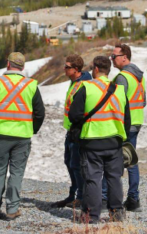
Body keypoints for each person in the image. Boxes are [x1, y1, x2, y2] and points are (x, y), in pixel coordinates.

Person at [0, 52, 45, 221]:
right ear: (22, 67)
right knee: (16, 173)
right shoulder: (31, 85)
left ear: (8, 64)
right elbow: (40, 113)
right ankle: (12, 209)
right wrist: (33, 129)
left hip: (0, 135)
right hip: (22, 136)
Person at [68, 55, 130, 224]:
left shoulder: (86, 87)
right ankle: (116, 214)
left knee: (93, 179)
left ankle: (91, 216)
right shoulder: (119, 89)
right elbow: (127, 119)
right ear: (108, 70)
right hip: (114, 141)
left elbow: (74, 115)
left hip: (92, 141)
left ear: (95, 69)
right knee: (114, 178)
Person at [50, 54, 91, 209]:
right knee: (69, 162)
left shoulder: (84, 85)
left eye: (67, 67)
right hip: (71, 130)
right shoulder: (74, 83)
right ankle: (73, 195)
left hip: (78, 131)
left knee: (77, 165)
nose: (64, 69)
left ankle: (80, 197)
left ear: (76, 69)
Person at [110, 43, 145, 212]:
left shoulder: (123, 77)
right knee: (132, 160)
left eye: (114, 56)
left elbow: (118, 103)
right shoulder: (138, 76)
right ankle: (133, 199)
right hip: (137, 121)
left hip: (125, 124)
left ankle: (112, 199)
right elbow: (143, 101)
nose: (112, 59)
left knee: (116, 161)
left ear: (124, 57)